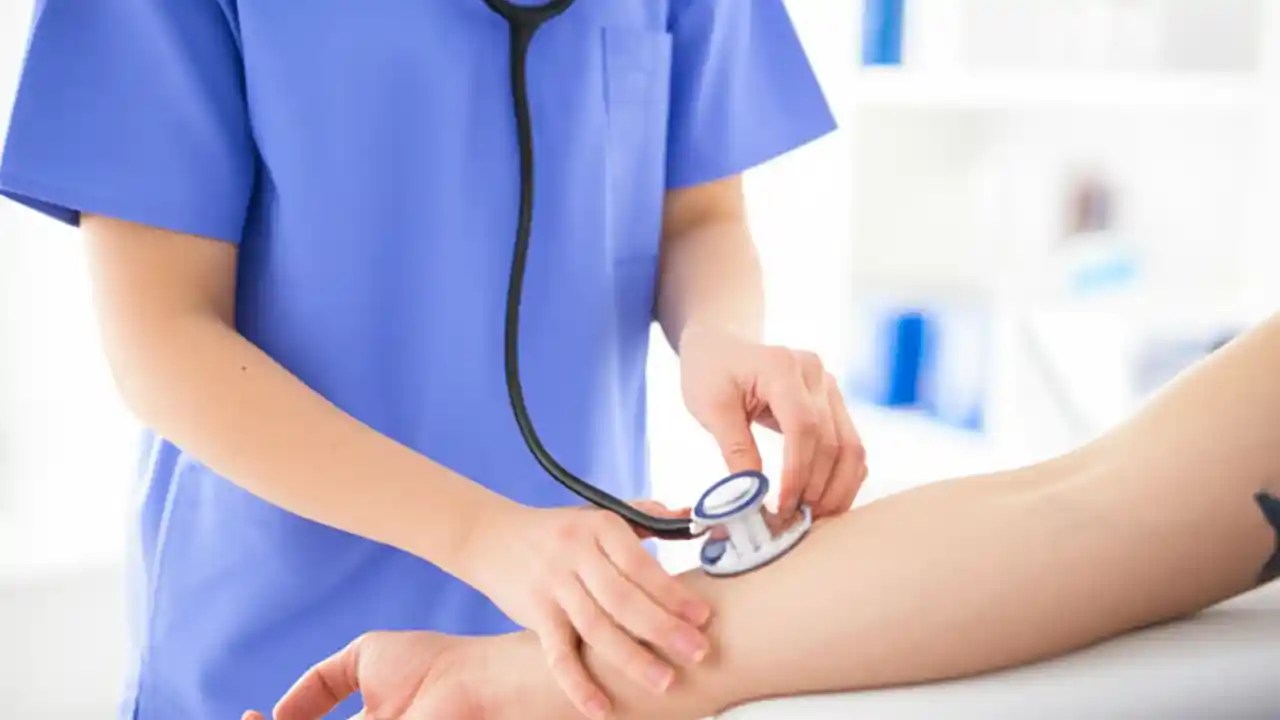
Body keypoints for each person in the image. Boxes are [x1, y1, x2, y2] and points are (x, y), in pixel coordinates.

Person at [0, 2, 866, 719]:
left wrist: (718, 336)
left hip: (564, 663)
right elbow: (162, 336)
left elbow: (699, 216)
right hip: (276, 668)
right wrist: (481, 535)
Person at [246, 313, 1280, 720]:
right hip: (268, 590)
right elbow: (1087, 509)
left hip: (553, 615)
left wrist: (501, 682)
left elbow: (1094, 515)